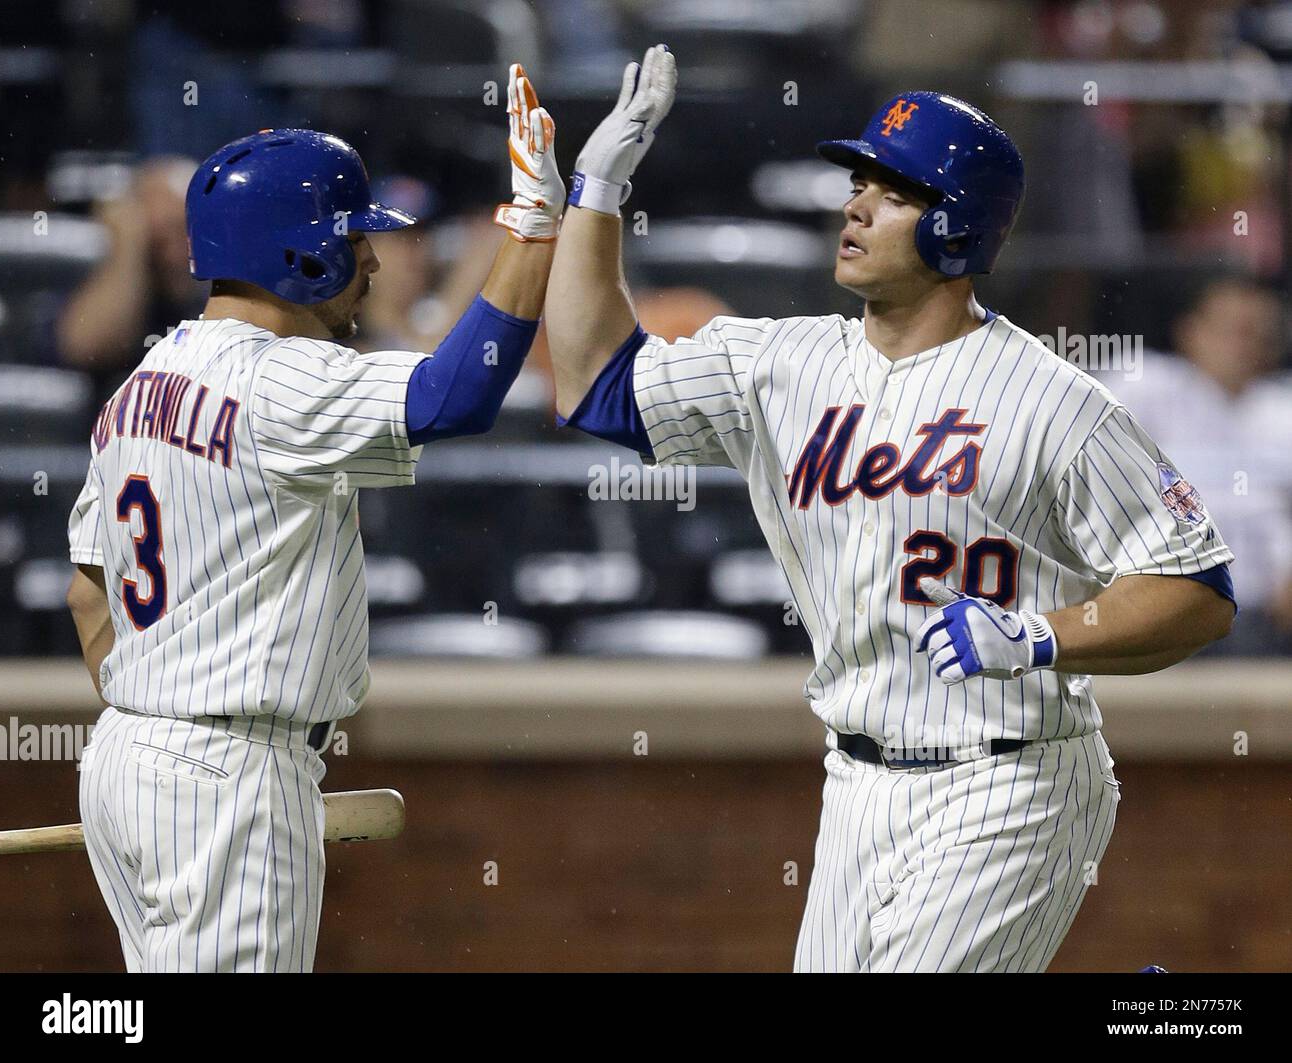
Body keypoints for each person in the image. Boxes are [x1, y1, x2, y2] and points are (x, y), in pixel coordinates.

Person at [544, 50, 1236, 972]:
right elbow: (594, 383)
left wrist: (1044, 637)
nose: (854, 206)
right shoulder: (780, 363)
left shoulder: (1054, 401)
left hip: (1012, 774)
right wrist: (596, 192)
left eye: (892, 191)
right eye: (858, 182)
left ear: (955, 226)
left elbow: (1198, 586)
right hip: (856, 779)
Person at [64, 66, 565, 972]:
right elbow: (460, 391)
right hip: (230, 774)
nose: (370, 262)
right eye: (355, 240)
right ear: (302, 255)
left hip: (125, 759)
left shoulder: (138, 385)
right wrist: (534, 221)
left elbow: (86, 594)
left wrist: (154, 737)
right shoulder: (283, 379)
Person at [1105, 277, 1292, 654]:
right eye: (1235, 331)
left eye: (1259, 333)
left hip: (1264, 615)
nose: (1247, 345)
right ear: (1191, 332)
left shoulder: (1280, 407)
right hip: (1165, 598)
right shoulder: (1149, 383)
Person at [56, 158, 206, 400]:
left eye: (186, 233)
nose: (176, 254)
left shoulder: (222, 294)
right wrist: (128, 246)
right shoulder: (105, 279)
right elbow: (89, 347)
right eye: (161, 240)